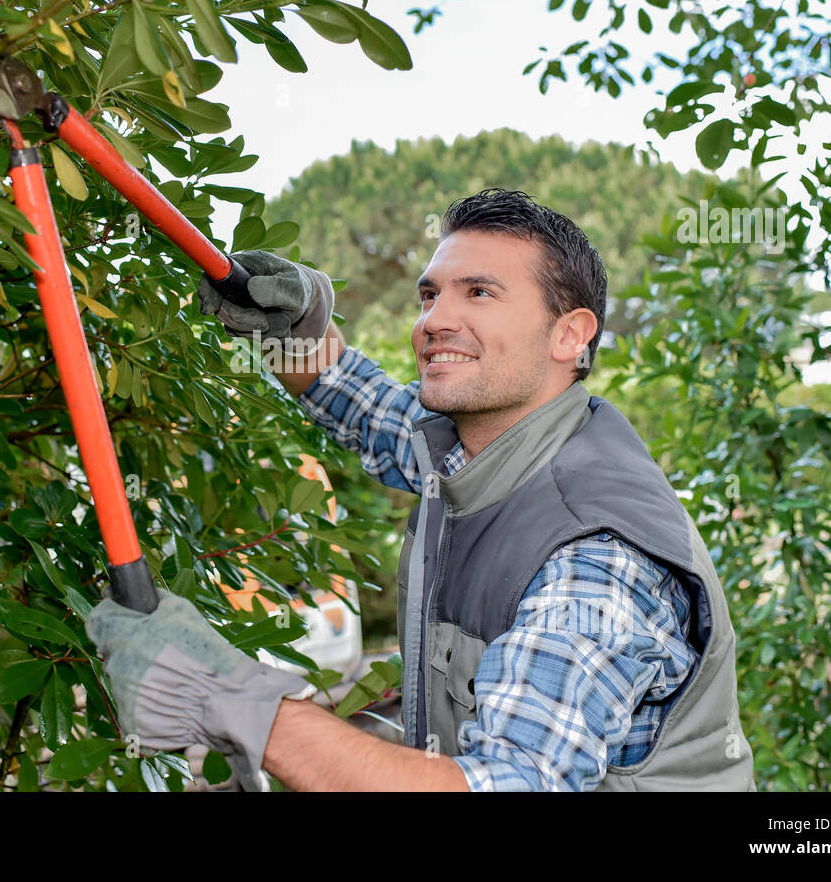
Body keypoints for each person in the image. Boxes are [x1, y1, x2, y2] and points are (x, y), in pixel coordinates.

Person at [85, 188, 755, 792]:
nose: (434, 320)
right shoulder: (479, 448)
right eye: (430, 296)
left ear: (570, 334)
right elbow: (375, 414)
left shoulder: (595, 554)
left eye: (480, 293)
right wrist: (294, 333)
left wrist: (229, 698)